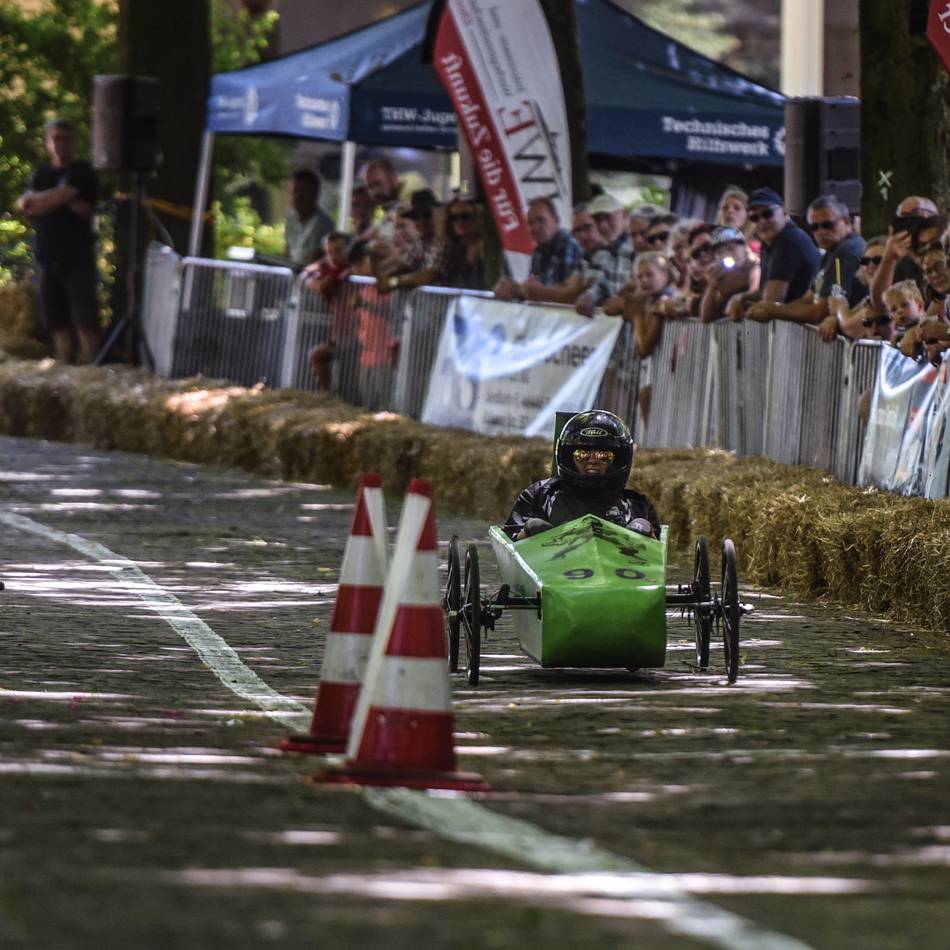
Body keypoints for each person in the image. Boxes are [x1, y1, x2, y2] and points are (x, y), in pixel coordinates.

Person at [16, 118, 99, 364]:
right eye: (56, 139)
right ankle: (64, 369)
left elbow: (41, 203)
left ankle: (89, 370)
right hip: (46, 257)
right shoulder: (41, 174)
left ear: (74, 142)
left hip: (78, 258)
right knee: (57, 322)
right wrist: (64, 200)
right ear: (48, 143)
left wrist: (43, 201)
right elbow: (25, 205)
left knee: (85, 321)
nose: (61, 144)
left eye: (66, 139)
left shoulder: (83, 171)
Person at [503, 410, 660, 540]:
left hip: (617, 568)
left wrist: (644, 532)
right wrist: (530, 532)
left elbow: (655, 553)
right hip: (552, 568)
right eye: (582, 455)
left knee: (640, 525)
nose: (592, 461)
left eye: (603, 456)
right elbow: (510, 542)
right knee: (534, 525)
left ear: (617, 459)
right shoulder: (539, 495)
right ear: (570, 457)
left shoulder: (637, 505)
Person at [745, 195, 863, 325]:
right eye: (815, 227)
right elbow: (808, 299)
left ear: (846, 222)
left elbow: (820, 312)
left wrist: (774, 310)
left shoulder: (845, 253)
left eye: (827, 225)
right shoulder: (831, 252)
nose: (821, 232)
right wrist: (772, 308)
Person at [732, 187, 821, 320]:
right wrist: (742, 298)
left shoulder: (787, 240)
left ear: (784, 213)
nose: (761, 221)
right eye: (755, 217)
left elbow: (771, 300)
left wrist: (748, 306)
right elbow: (766, 291)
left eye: (767, 214)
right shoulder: (770, 243)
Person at [494, 197, 582, 301]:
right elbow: (535, 289)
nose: (535, 227)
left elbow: (564, 295)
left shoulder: (568, 244)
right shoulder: (539, 251)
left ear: (556, 220)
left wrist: (519, 290)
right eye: (530, 223)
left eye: (541, 220)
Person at [575, 193, 635, 316]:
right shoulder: (603, 251)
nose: (603, 225)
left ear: (623, 215)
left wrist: (623, 302)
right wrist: (589, 296)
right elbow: (602, 283)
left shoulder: (637, 247)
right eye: (598, 219)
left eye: (608, 217)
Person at [699, 226, 759, 323]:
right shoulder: (721, 276)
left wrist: (740, 300)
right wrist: (712, 286)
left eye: (731, 249)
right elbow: (706, 317)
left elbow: (755, 293)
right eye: (720, 252)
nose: (727, 255)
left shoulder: (754, 269)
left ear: (744, 247)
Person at [284, 169, 334, 267]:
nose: (297, 196)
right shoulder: (290, 219)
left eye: (303, 192)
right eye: (294, 191)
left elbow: (314, 261)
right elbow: (287, 253)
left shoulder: (323, 223)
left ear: (315, 194)